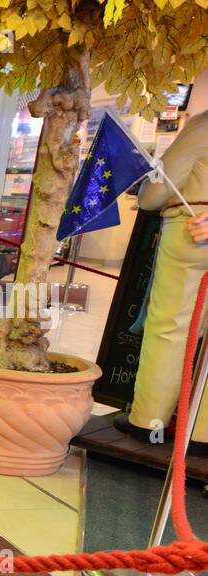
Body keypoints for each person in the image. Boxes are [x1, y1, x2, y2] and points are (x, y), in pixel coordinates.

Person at [119, 110, 208, 447]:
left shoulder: (203, 126)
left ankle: (149, 422)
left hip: (192, 231)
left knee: (171, 329)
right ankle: (201, 432)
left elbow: (155, 193)